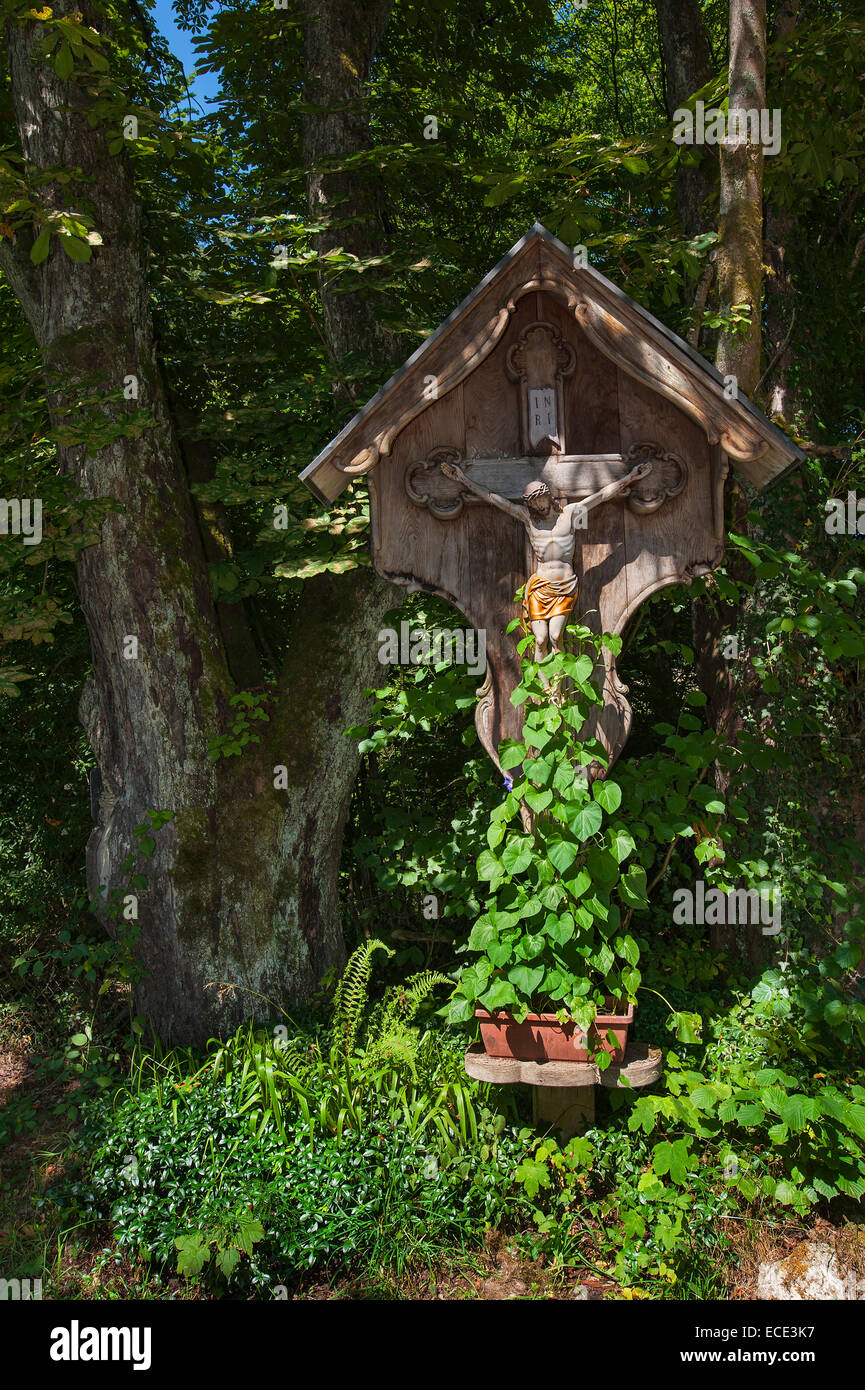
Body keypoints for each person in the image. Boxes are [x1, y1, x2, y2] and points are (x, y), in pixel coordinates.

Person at [439, 458, 651, 661]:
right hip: (540, 586)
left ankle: (558, 691)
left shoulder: (569, 514)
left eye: (539, 500)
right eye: (532, 503)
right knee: (540, 640)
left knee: (556, 637)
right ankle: (548, 689)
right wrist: (463, 480)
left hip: (564, 585)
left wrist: (631, 477)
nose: (537, 506)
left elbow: (601, 495)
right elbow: (495, 499)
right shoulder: (528, 519)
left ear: (548, 496)